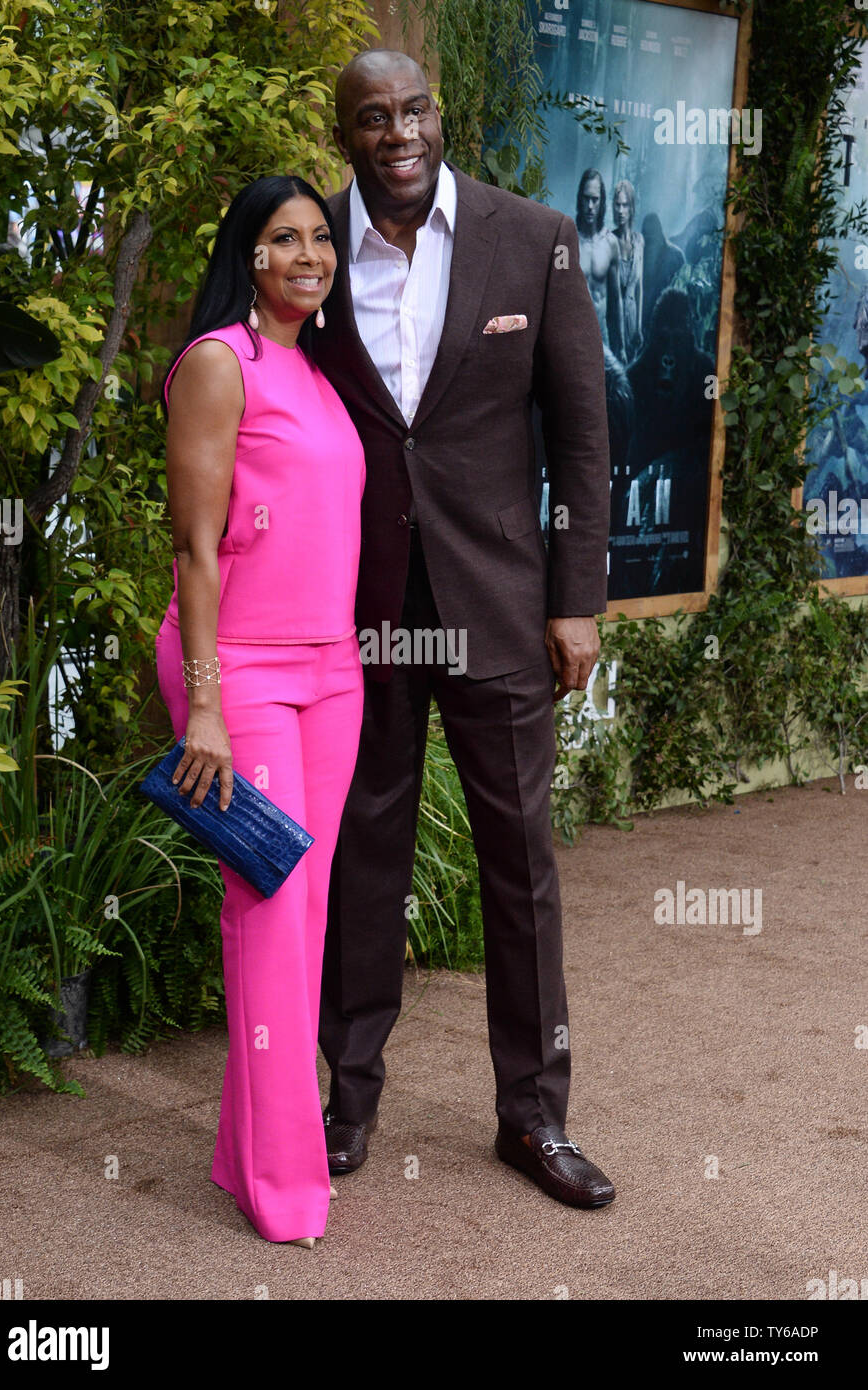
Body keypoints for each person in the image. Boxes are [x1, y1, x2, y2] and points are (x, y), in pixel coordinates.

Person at [314, 50, 616, 1210]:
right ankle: (347, 1099)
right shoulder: (311, 245)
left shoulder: (527, 236)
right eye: (372, 118)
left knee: (520, 870)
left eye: (414, 109)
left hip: (496, 607)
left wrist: (574, 597)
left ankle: (533, 1118)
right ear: (343, 132)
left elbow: (583, 435)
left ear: (439, 113)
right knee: (363, 856)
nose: (398, 132)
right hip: (365, 610)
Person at [154, 175, 366, 1248]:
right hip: (236, 671)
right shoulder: (217, 364)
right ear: (247, 254)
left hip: (333, 670)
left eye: (321, 238)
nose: (307, 254)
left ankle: (246, 1151)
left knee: (300, 917)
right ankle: (284, 1187)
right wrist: (204, 706)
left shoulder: (320, 372)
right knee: (272, 914)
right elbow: (194, 547)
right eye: (284, 238)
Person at [576, 168, 624, 362]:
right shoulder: (568, 238)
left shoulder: (610, 243)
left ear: (601, 201)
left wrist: (620, 346)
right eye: (586, 198)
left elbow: (615, 300)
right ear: (579, 198)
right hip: (572, 338)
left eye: (595, 199)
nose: (590, 206)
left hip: (600, 339)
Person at [613, 179, 644, 365]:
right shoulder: (609, 240)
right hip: (614, 321)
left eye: (625, 205)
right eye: (617, 205)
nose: (621, 210)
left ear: (631, 207)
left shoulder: (639, 242)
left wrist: (639, 327)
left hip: (632, 319)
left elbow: (640, 287)